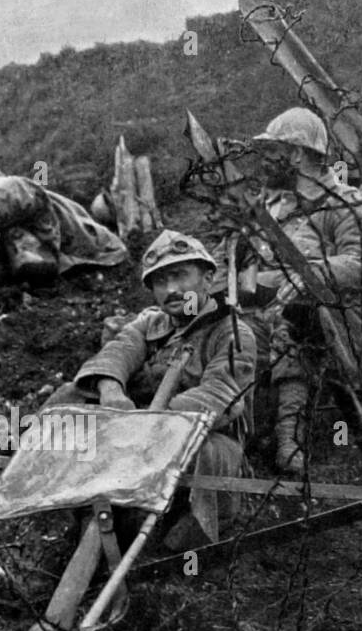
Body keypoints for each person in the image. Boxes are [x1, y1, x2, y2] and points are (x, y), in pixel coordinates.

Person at [43, 229, 255, 548]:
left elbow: (218, 396)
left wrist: (148, 426)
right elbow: (117, 351)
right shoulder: (150, 324)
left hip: (197, 434)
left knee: (207, 453)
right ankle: (72, 493)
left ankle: (196, 522)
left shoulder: (232, 333)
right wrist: (111, 390)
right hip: (138, 432)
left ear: (208, 278)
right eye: (159, 282)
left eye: (180, 275)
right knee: (69, 399)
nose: (170, 290)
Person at [243, 108, 362, 476]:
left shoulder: (346, 201)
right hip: (272, 310)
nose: (264, 160)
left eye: (271, 150)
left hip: (338, 317)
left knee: (297, 319)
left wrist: (308, 276)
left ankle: (291, 436)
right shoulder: (275, 204)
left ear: (295, 154)